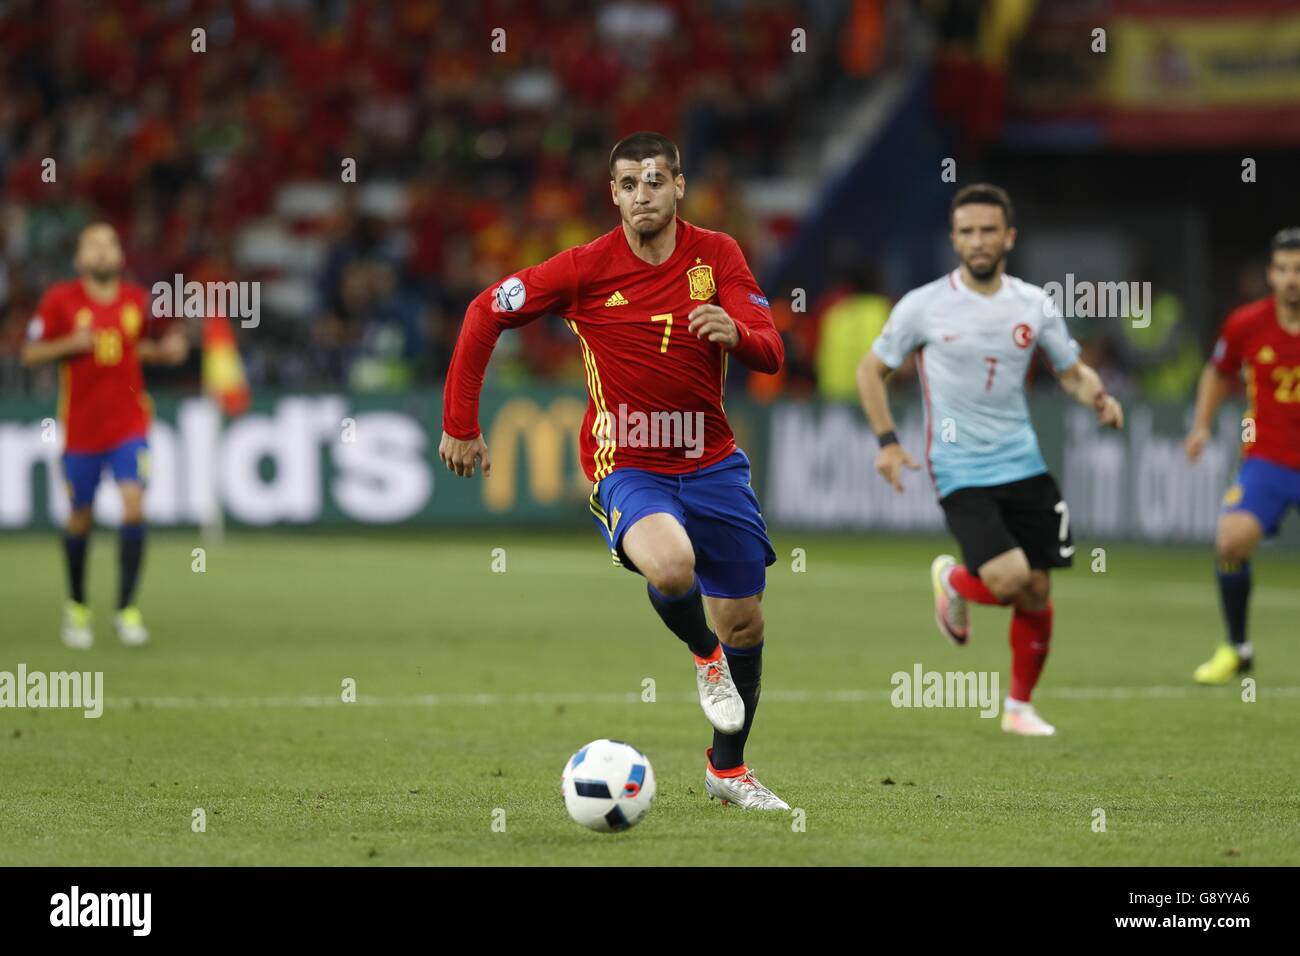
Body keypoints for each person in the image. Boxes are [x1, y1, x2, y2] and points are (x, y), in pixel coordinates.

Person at [439, 132, 788, 809]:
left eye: (655, 180)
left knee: (744, 621)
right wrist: (460, 422)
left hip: (712, 460)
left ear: (679, 186)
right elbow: (487, 308)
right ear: (613, 195)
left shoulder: (718, 255)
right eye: (628, 184)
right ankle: (702, 657)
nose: (642, 194)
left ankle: (728, 771)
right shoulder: (583, 267)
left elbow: (771, 351)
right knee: (671, 566)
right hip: (626, 459)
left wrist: (736, 334)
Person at [857, 184, 1123, 736]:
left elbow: (1070, 371)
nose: (978, 241)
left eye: (988, 230)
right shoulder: (923, 305)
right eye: (967, 231)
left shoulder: (1033, 303)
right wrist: (887, 441)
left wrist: (1097, 397)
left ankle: (1019, 707)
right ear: (954, 239)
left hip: (1024, 463)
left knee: (1038, 590)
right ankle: (955, 581)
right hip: (959, 468)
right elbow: (870, 370)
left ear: (1009, 237)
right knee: (1007, 578)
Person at [22, 222, 188, 648]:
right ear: (79, 259)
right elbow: (29, 353)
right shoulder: (60, 300)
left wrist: (166, 352)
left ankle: (126, 610)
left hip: (130, 424)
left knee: (134, 505)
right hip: (81, 432)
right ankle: (78, 607)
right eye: (92, 245)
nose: (101, 251)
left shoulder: (136, 299)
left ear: (119, 255)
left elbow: (137, 347)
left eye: (109, 244)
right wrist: (70, 344)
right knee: (82, 517)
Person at [1184, 228, 1300, 684]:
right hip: (1268, 460)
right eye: (1285, 269)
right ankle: (1237, 648)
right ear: (1271, 275)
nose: (1292, 279)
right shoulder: (1245, 324)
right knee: (1230, 541)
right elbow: (1217, 373)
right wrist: (1200, 427)